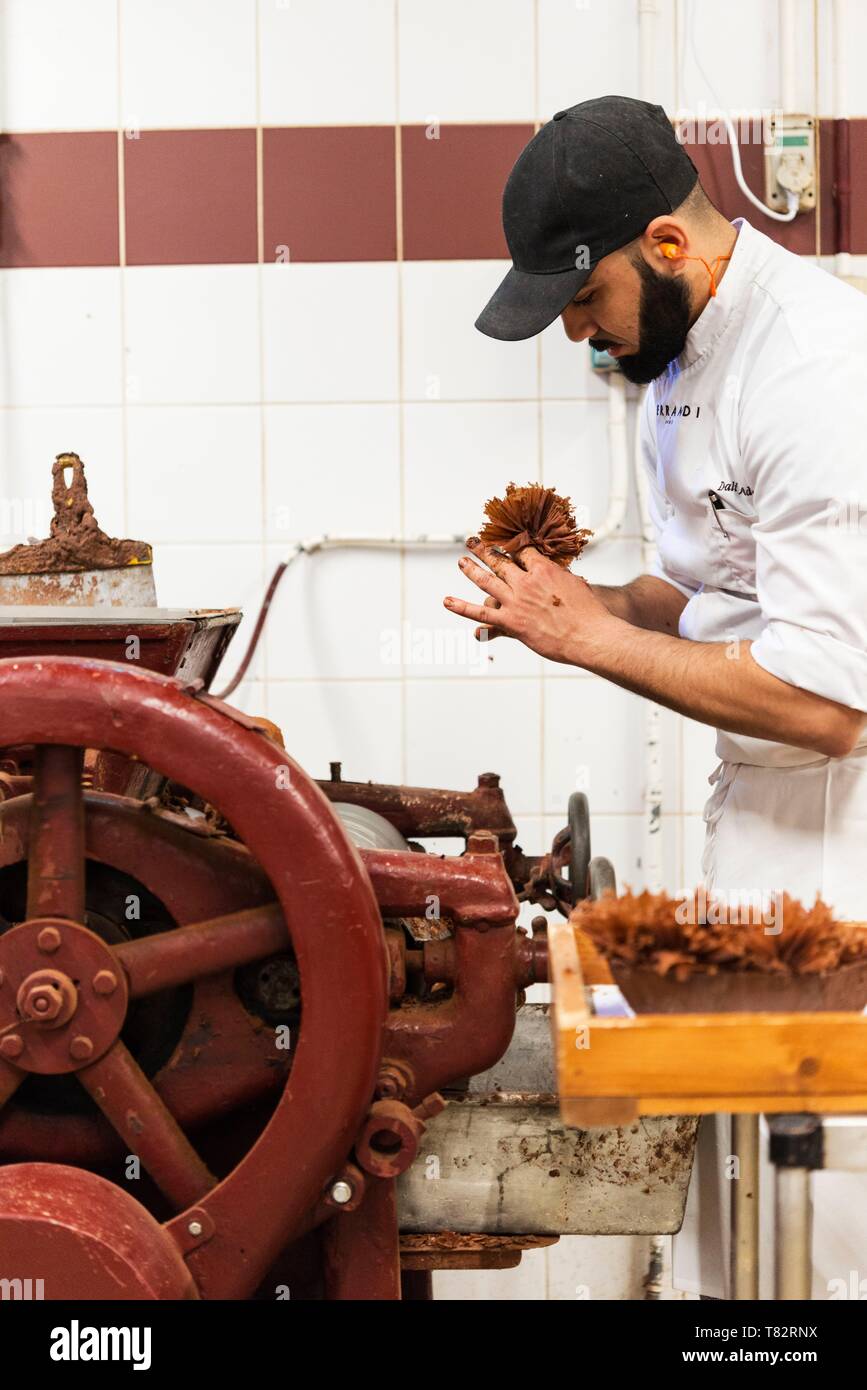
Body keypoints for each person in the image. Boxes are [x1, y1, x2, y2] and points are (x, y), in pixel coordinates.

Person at [443, 94, 867, 1298]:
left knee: (815, 1236)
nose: (580, 332)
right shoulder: (678, 362)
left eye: (585, 298)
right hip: (763, 836)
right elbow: (707, 603)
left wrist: (591, 643)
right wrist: (584, 605)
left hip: (845, 839)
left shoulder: (821, 374)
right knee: (729, 1226)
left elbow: (835, 702)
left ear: (668, 247)